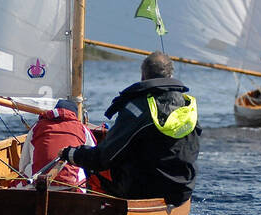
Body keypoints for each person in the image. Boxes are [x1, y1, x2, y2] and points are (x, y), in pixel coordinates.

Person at [59, 52, 199, 205]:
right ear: (171, 75)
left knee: (91, 169)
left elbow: (103, 158)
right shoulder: (188, 106)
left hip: (143, 193)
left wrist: (72, 154)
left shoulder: (138, 107)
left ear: (143, 75)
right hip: (181, 192)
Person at [18, 98, 95, 191]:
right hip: (71, 187)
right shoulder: (82, 129)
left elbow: (23, 165)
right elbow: (93, 159)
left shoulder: (36, 127)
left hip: (35, 186)